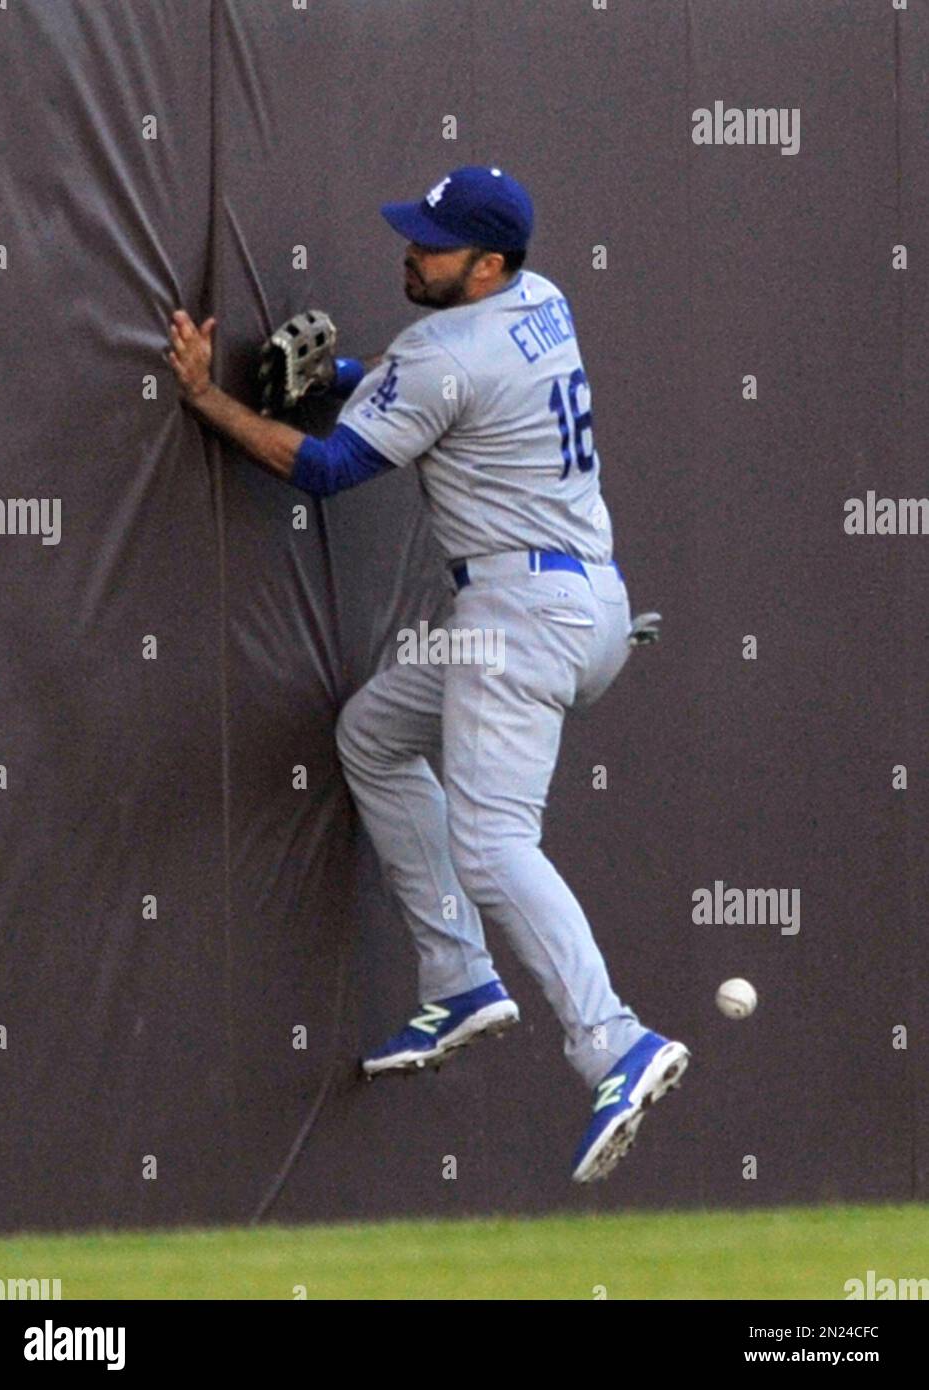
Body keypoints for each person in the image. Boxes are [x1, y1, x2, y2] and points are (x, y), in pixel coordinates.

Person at [167, 165, 689, 1183]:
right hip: (591, 611)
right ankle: (457, 976)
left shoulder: (445, 348)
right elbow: (444, 391)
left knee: (494, 842)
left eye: (435, 244)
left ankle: (611, 1040)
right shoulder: (543, 302)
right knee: (373, 734)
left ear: (486, 264)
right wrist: (344, 377)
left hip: (519, 621)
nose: (412, 249)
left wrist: (205, 400)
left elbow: (325, 470)